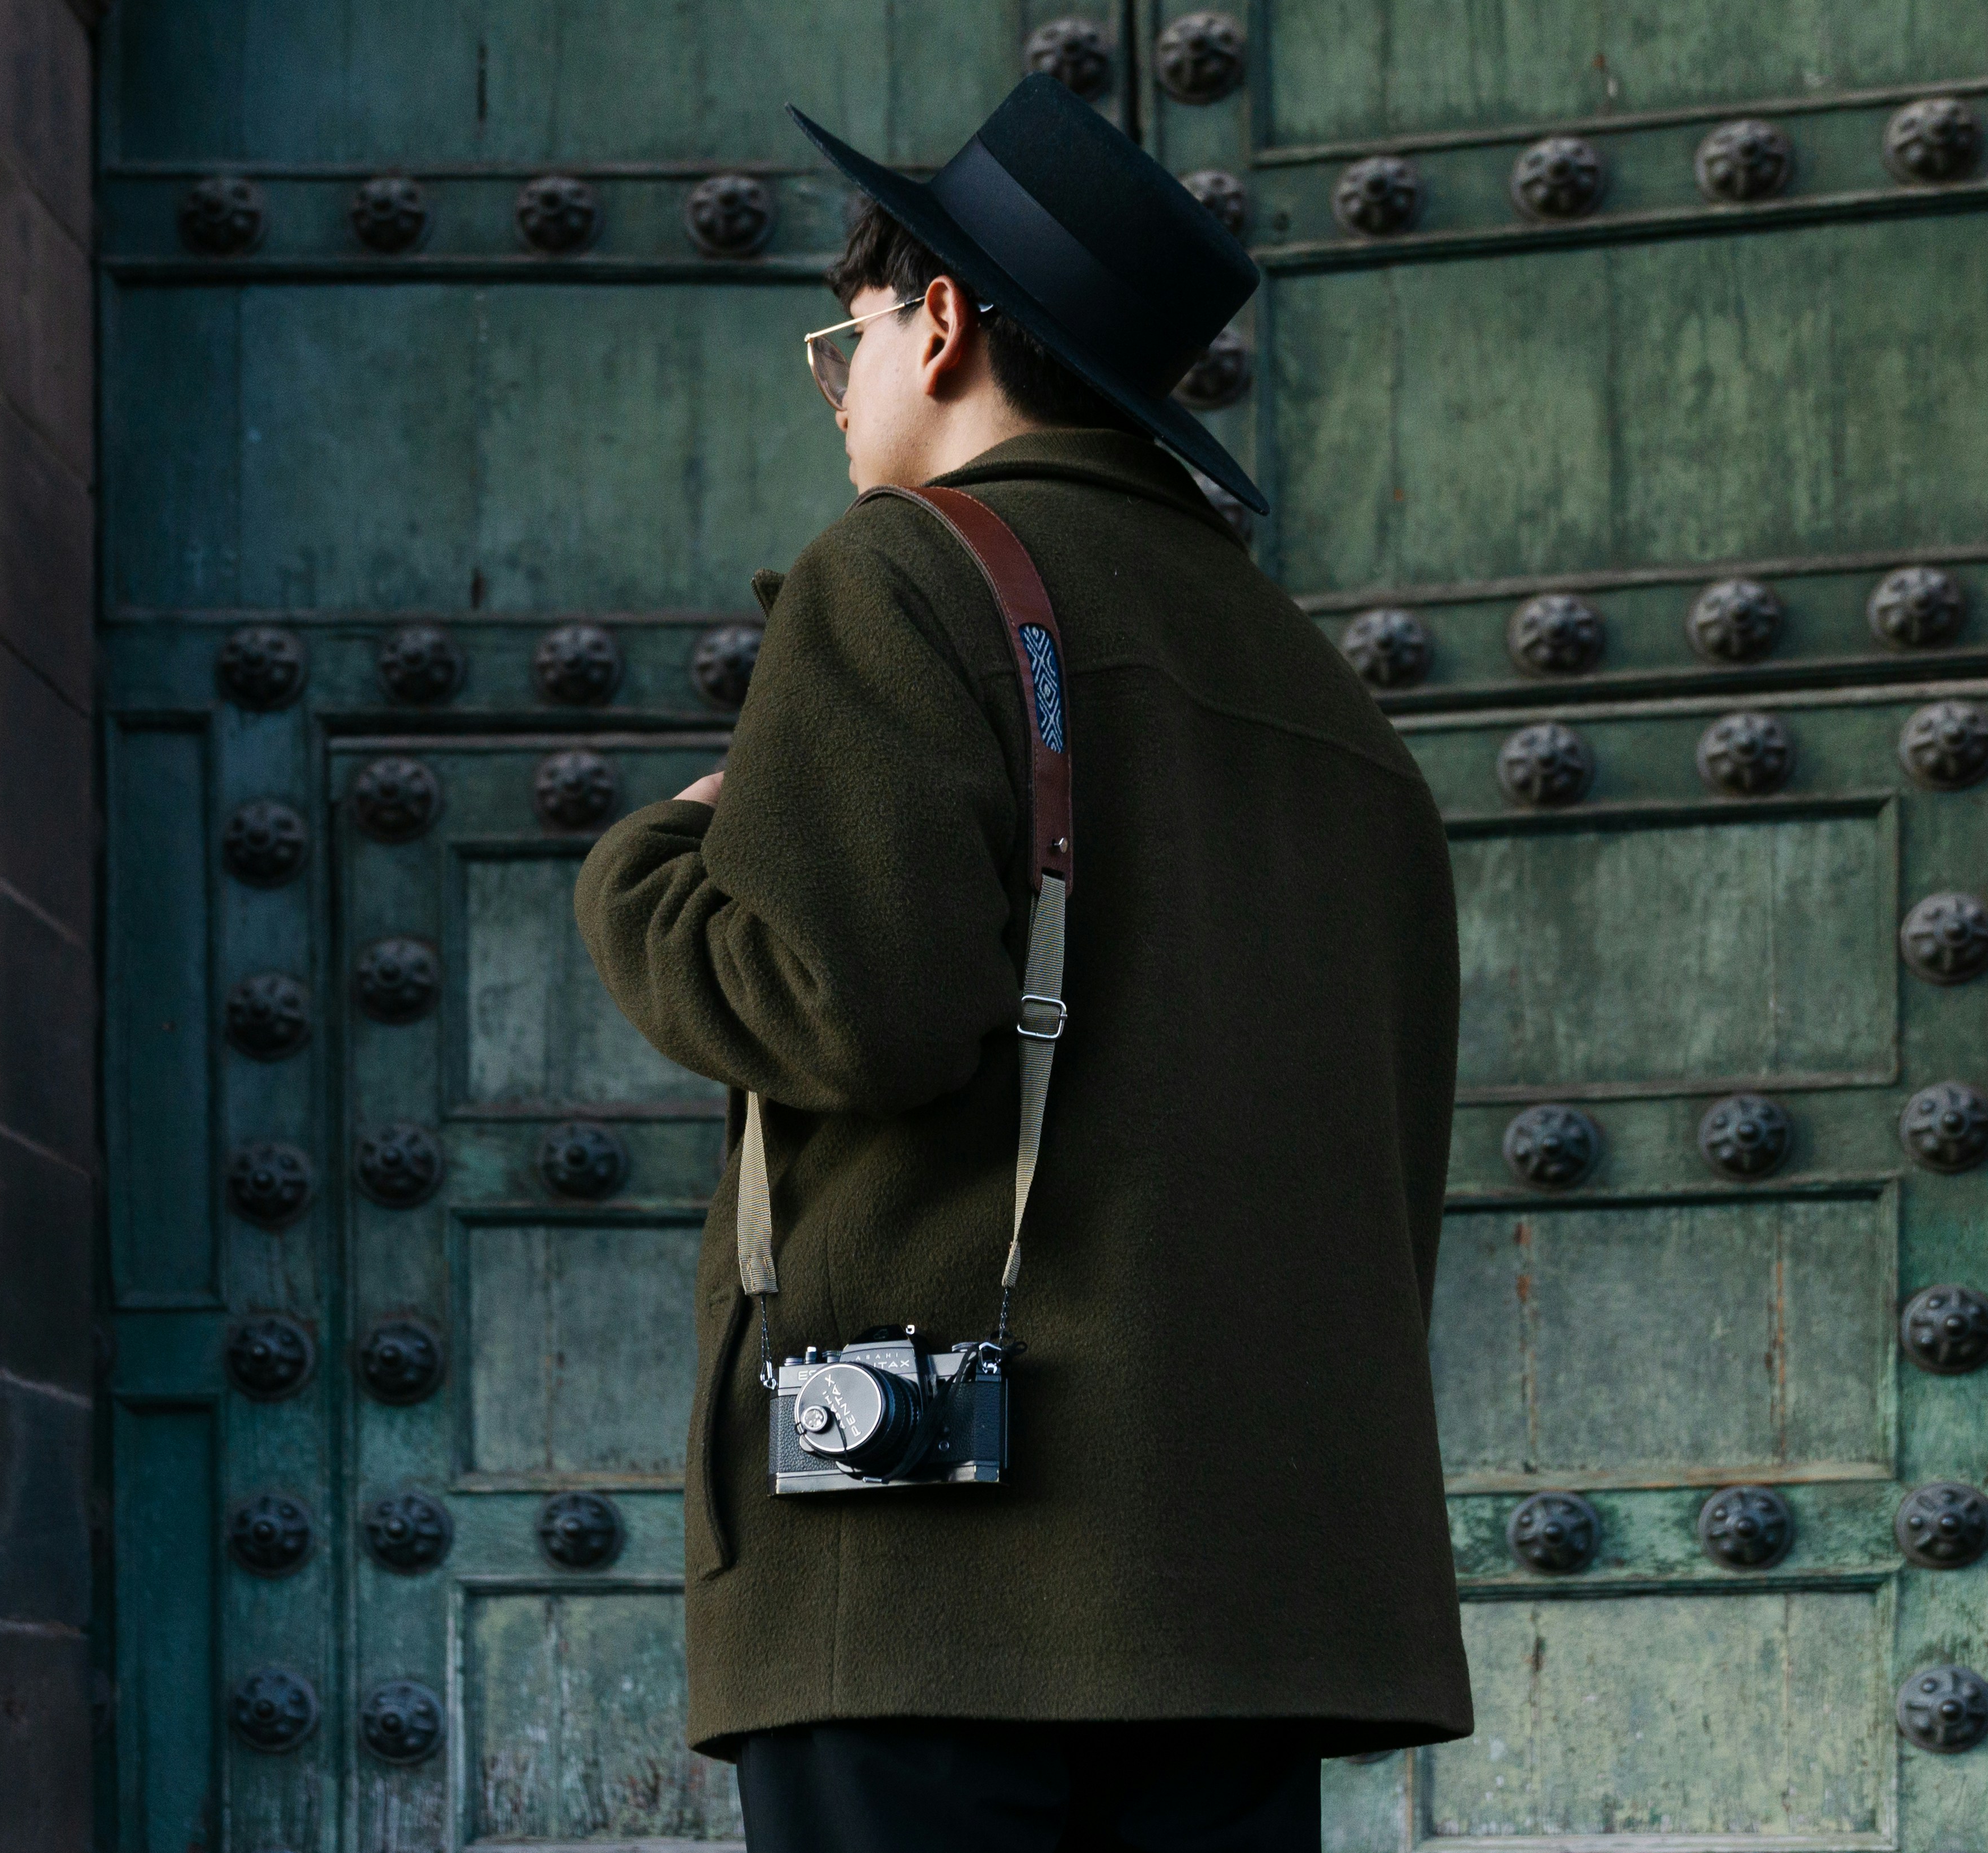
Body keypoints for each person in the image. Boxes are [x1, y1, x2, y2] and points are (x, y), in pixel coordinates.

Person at [572, 72, 1473, 1853]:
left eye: (849, 336)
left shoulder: (904, 576)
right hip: (1242, 1587)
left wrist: (646, 865)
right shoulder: (1313, 686)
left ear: (945, 318)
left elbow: (845, 1006)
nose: (840, 388)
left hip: (933, 1580)